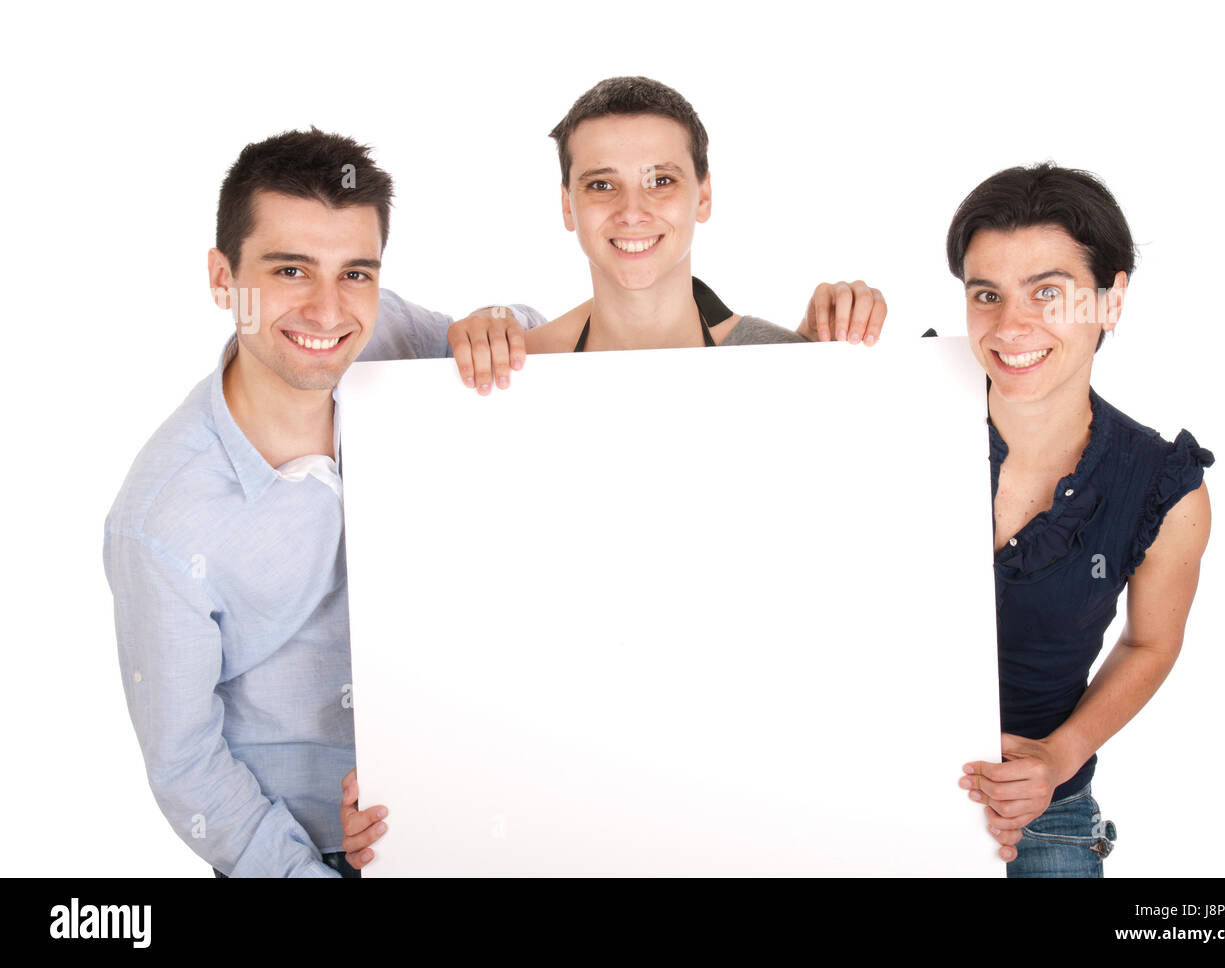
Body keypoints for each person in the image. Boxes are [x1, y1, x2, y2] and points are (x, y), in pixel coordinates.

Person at [338, 76, 889, 870]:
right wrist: (411, 786)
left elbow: (851, 613)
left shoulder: (794, 369)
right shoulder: (499, 382)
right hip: (562, 812)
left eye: (662, 181)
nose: (633, 212)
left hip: (753, 804)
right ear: (567, 205)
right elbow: (455, 614)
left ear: (704, 197)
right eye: (601, 185)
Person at [103, 128, 545, 877]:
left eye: (356, 273)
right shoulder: (163, 521)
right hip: (311, 851)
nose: (326, 310)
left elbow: (530, 349)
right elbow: (186, 767)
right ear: (222, 278)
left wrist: (499, 318)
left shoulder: (381, 333)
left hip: (473, 798)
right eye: (290, 270)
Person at [939, 164, 1214, 876]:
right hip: (865, 784)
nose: (1010, 326)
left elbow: (1151, 644)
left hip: (1047, 809)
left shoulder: (1162, 487)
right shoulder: (899, 414)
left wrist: (1059, 756)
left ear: (1110, 300)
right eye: (986, 295)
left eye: (1048, 293)